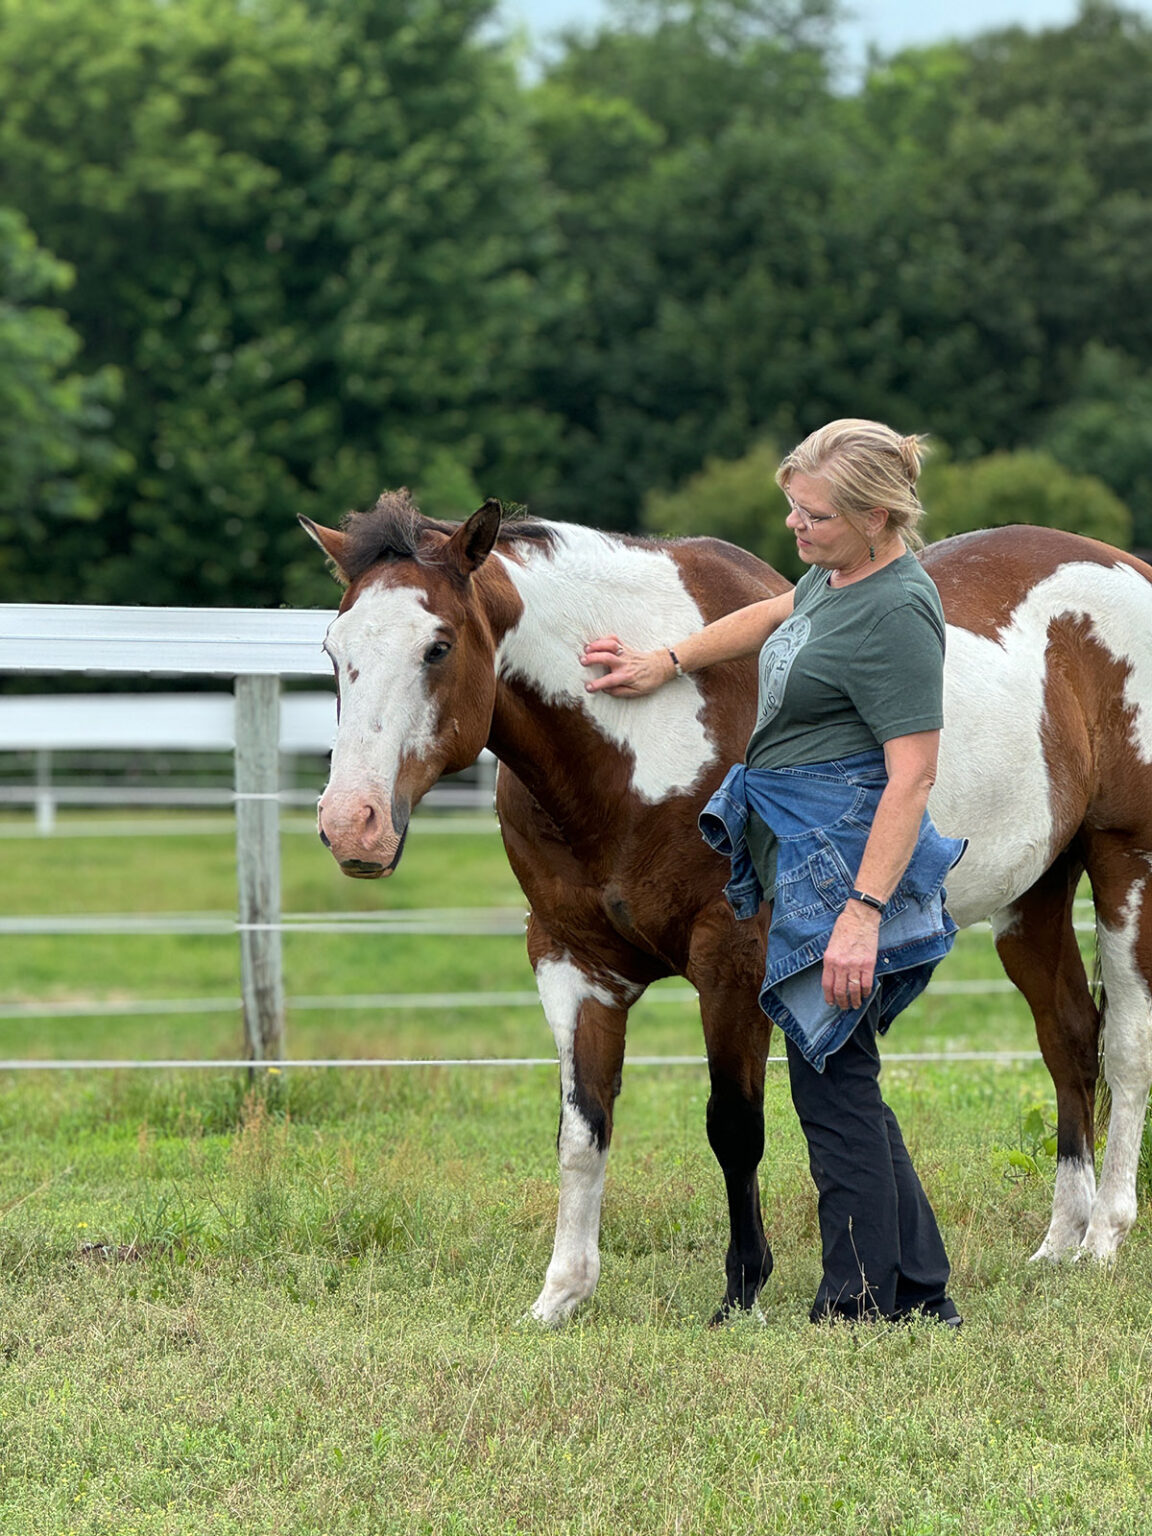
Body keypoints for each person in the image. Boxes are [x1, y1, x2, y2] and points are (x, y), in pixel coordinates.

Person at [580, 418, 966, 1327]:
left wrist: (862, 914)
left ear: (877, 516)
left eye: (815, 515)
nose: (795, 527)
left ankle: (859, 1304)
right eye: (792, 508)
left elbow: (912, 773)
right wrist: (666, 660)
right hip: (804, 844)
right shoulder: (838, 578)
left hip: (845, 853)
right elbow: (780, 612)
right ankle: (920, 1290)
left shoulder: (900, 610)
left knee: (828, 1080)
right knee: (842, 1067)